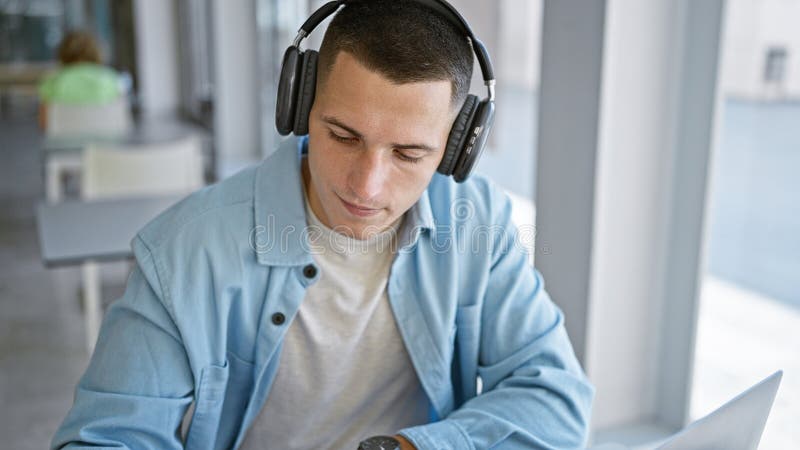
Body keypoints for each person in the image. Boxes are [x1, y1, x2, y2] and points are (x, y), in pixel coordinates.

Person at [52, 1, 594, 449]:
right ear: (300, 104)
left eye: (408, 154)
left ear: (455, 149)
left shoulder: (479, 225)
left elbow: (556, 400)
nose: (367, 187)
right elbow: (104, 439)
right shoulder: (183, 251)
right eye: (343, 136)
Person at [37, 30, 123, 130]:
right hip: (106, 138)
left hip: (64, 138)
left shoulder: (52, 82)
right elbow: (120, 120)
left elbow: (44, 124)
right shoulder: (111, 79)